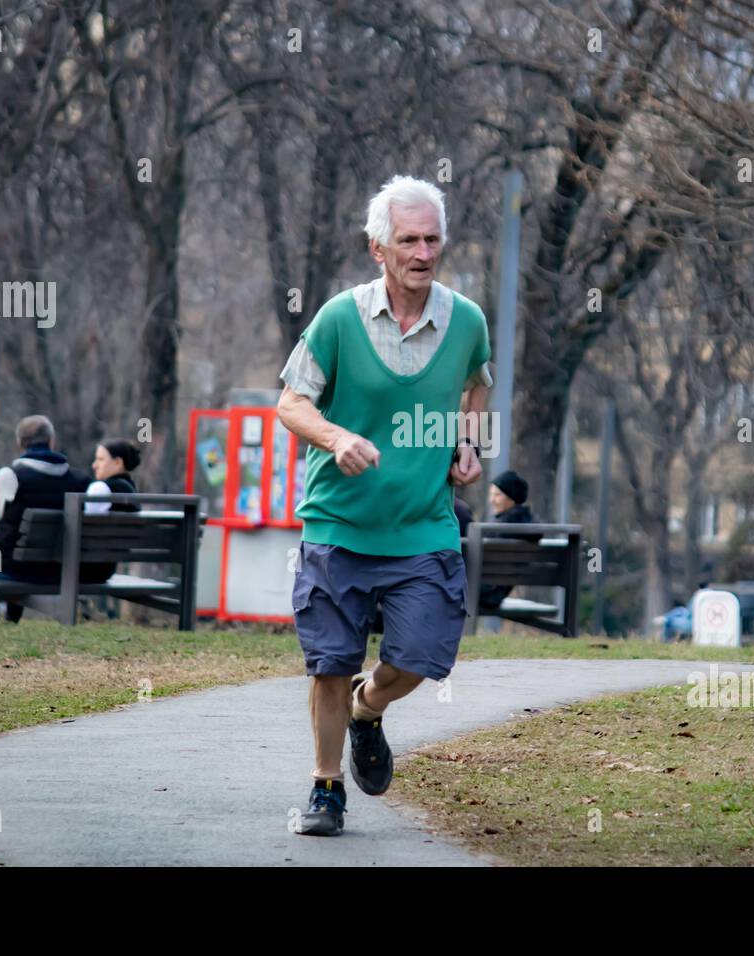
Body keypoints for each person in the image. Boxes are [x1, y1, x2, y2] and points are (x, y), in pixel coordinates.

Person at [277, 175, 492, 836]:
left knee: (419, 657)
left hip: (422, 528)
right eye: (409, 240)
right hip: (339, 525)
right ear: (378, 248)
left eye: (432, 239)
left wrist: (469, 443)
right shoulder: (341, 318)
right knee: (330, 663)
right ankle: (325, 788)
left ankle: (369, 712)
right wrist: (337, 437)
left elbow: (478, 387)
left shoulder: (467, 322)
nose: (423, 252)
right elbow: (290, 403)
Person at [0, 415, 91, 621]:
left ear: (20, 443)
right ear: (52, 442)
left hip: (13, 567)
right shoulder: (80, 480)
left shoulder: (11, 475)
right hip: (58, 569)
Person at [81, 438, 142, 584]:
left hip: (84, 567)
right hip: (107, 569)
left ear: (118, 462)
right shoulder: (131, 491)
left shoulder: (100, 489)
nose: (94, 465)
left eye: (100, 459)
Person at [477, 469, 537, 612]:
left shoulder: (499, 530)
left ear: (512, 498)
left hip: (483, 592)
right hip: (498, 592)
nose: (492, 500)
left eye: (497, 495)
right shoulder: (529, 529)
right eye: (491, 494)